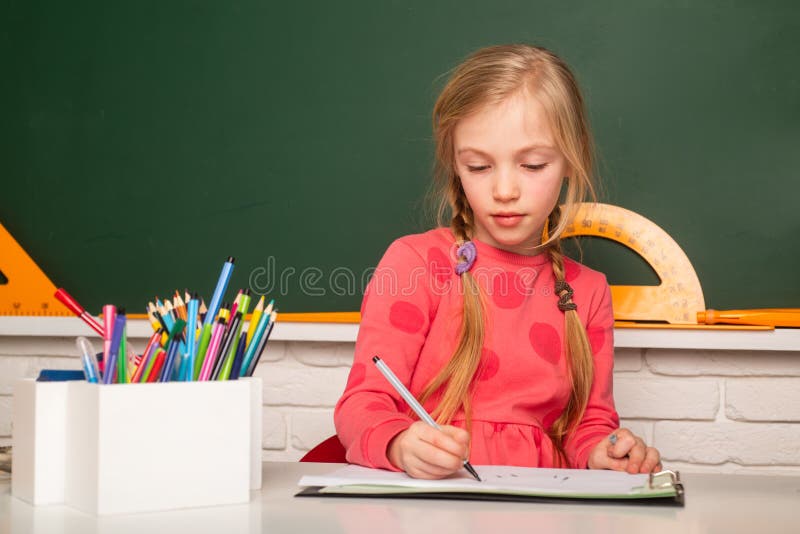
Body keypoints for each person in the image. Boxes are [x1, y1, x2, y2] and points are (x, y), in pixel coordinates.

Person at [334, 44, 661, 479]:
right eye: (479, 167)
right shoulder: (415, 263)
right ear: (455, 163)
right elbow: (362, 404)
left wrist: (606, 450)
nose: (505, 190)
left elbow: (587, 427)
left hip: (543, 515)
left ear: (570, 157)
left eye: (531, 164)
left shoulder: (588, 292)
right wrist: (398, 443)